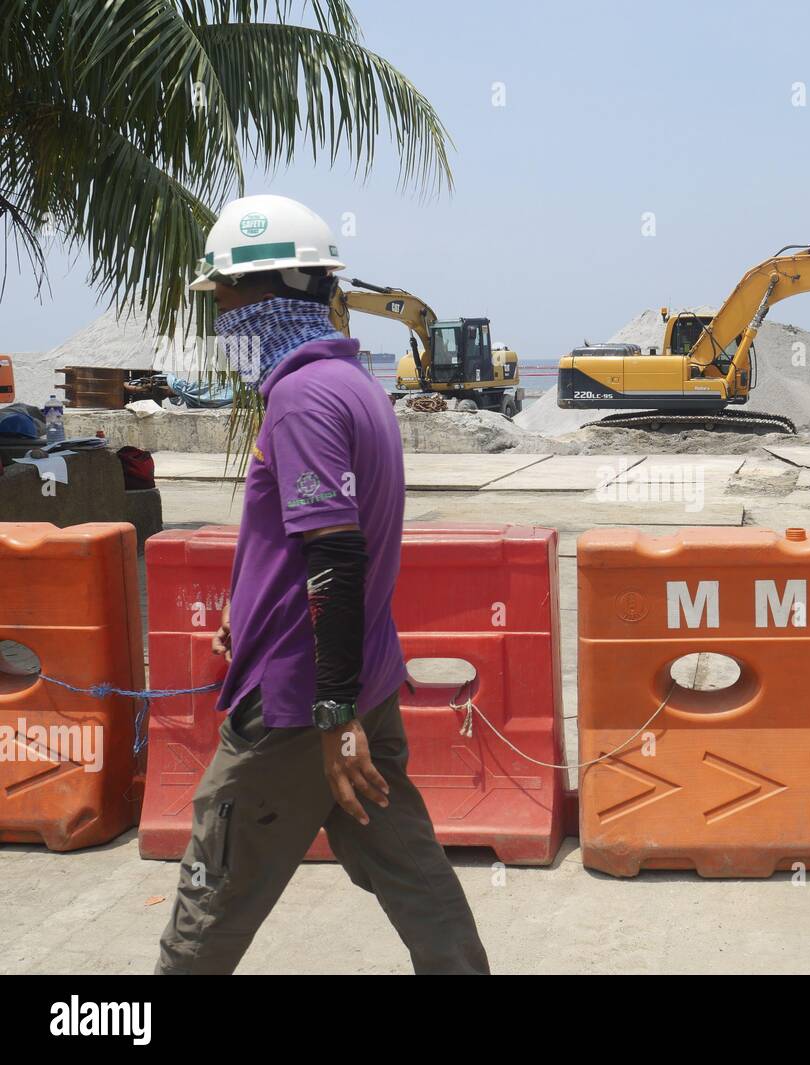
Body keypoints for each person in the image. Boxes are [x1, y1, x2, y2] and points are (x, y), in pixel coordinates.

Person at [155, 194, 489, 974]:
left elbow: (336, 559)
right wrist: (251, 610)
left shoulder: (302, 398)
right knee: (408, 867)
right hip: (358, 678)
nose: (220, 319)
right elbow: (312, 543)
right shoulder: (350, 385)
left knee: (214, 890)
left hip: (302, 705)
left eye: (225, 298)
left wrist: (334, 717)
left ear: (263, 293)